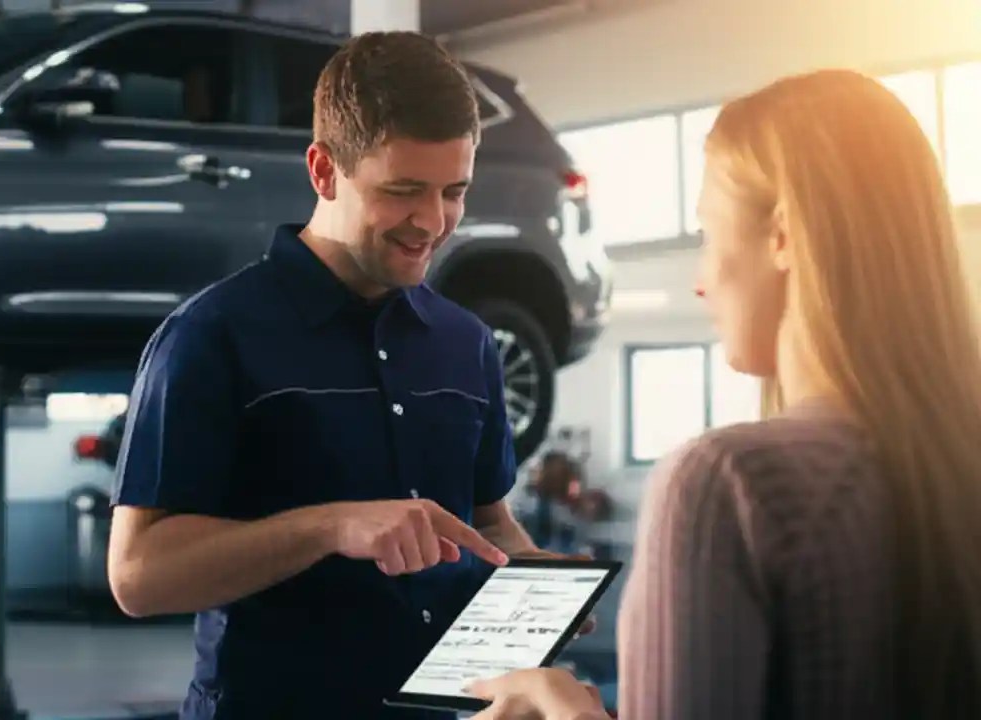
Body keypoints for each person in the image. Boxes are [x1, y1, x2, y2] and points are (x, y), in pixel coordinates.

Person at [464, 68, 981, 719]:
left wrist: (564, 708)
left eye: (709, 233)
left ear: (784, 234)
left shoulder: (726, 482)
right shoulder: (958, 465)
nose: (700, 283)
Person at [107, 31, 549, 720]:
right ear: (323, 171)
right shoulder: (210, 336)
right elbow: (137, 577)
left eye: (453, 191)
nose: (431, 223)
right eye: (402, 192)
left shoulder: (468, 345)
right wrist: (329, 527)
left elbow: (489, 524)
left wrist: (536, 582)